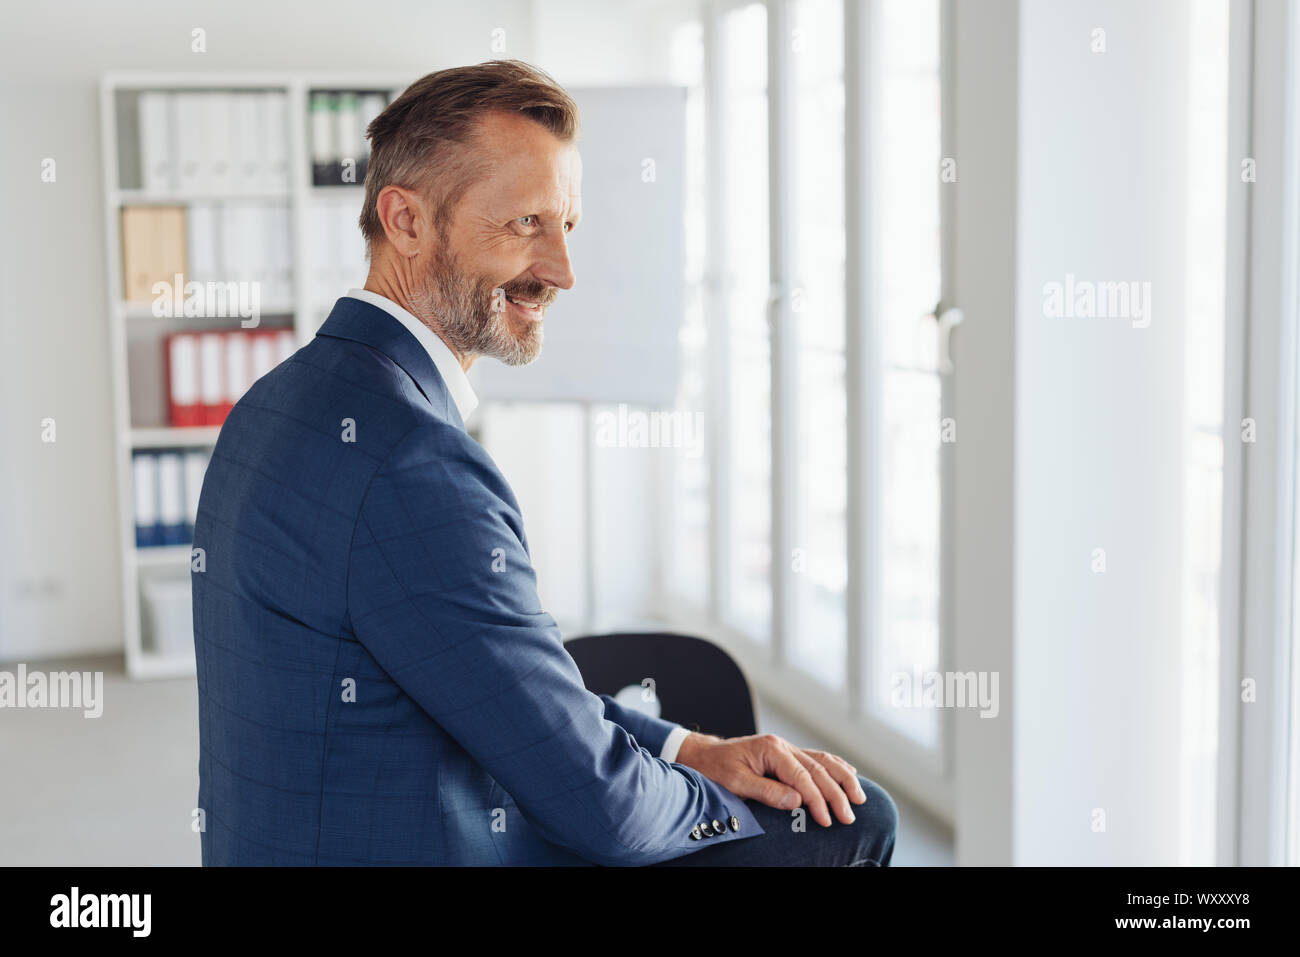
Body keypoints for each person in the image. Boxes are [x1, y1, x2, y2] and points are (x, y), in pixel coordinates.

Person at [192, 59, 897, 866]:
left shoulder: (275, 402)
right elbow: (608, 812)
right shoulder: (414, 462)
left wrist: (687, 749)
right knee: (854, 816)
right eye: (527, 222)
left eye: (567, 227)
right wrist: (726, 803)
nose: (562, 271)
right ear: (407, 220)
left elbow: (492, 681)